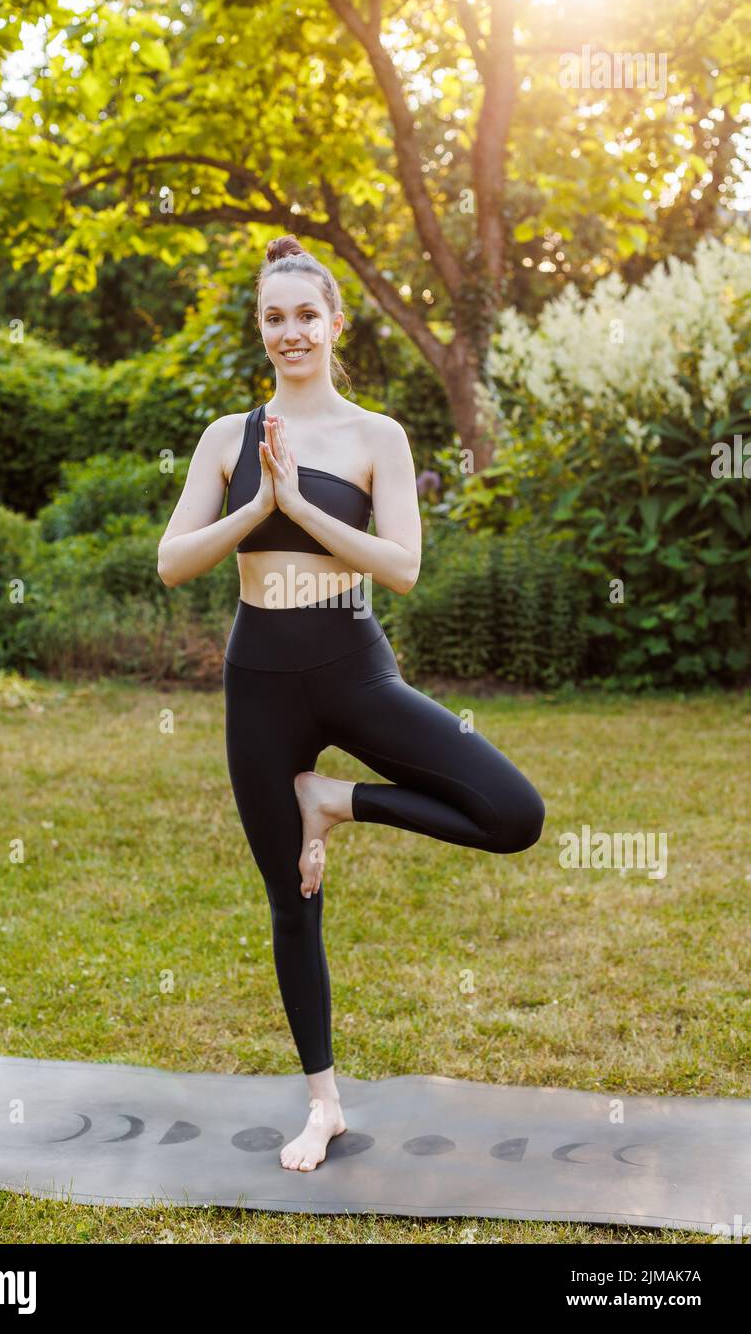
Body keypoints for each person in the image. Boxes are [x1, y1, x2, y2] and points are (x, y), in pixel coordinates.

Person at [157, 235, 546, 1173]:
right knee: (292, 901)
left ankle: (337, 799)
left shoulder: (378, 436)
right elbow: (172, 564)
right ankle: (322, 1103)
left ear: (336, 324)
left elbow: (404, 568)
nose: (290, 332)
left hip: (356, 671)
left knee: (514, 814)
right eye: (273, 318)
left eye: (305, 315)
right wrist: (257, 507)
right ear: (263, 331)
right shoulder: (224, 438)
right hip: (261, 685)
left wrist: (306, 504)